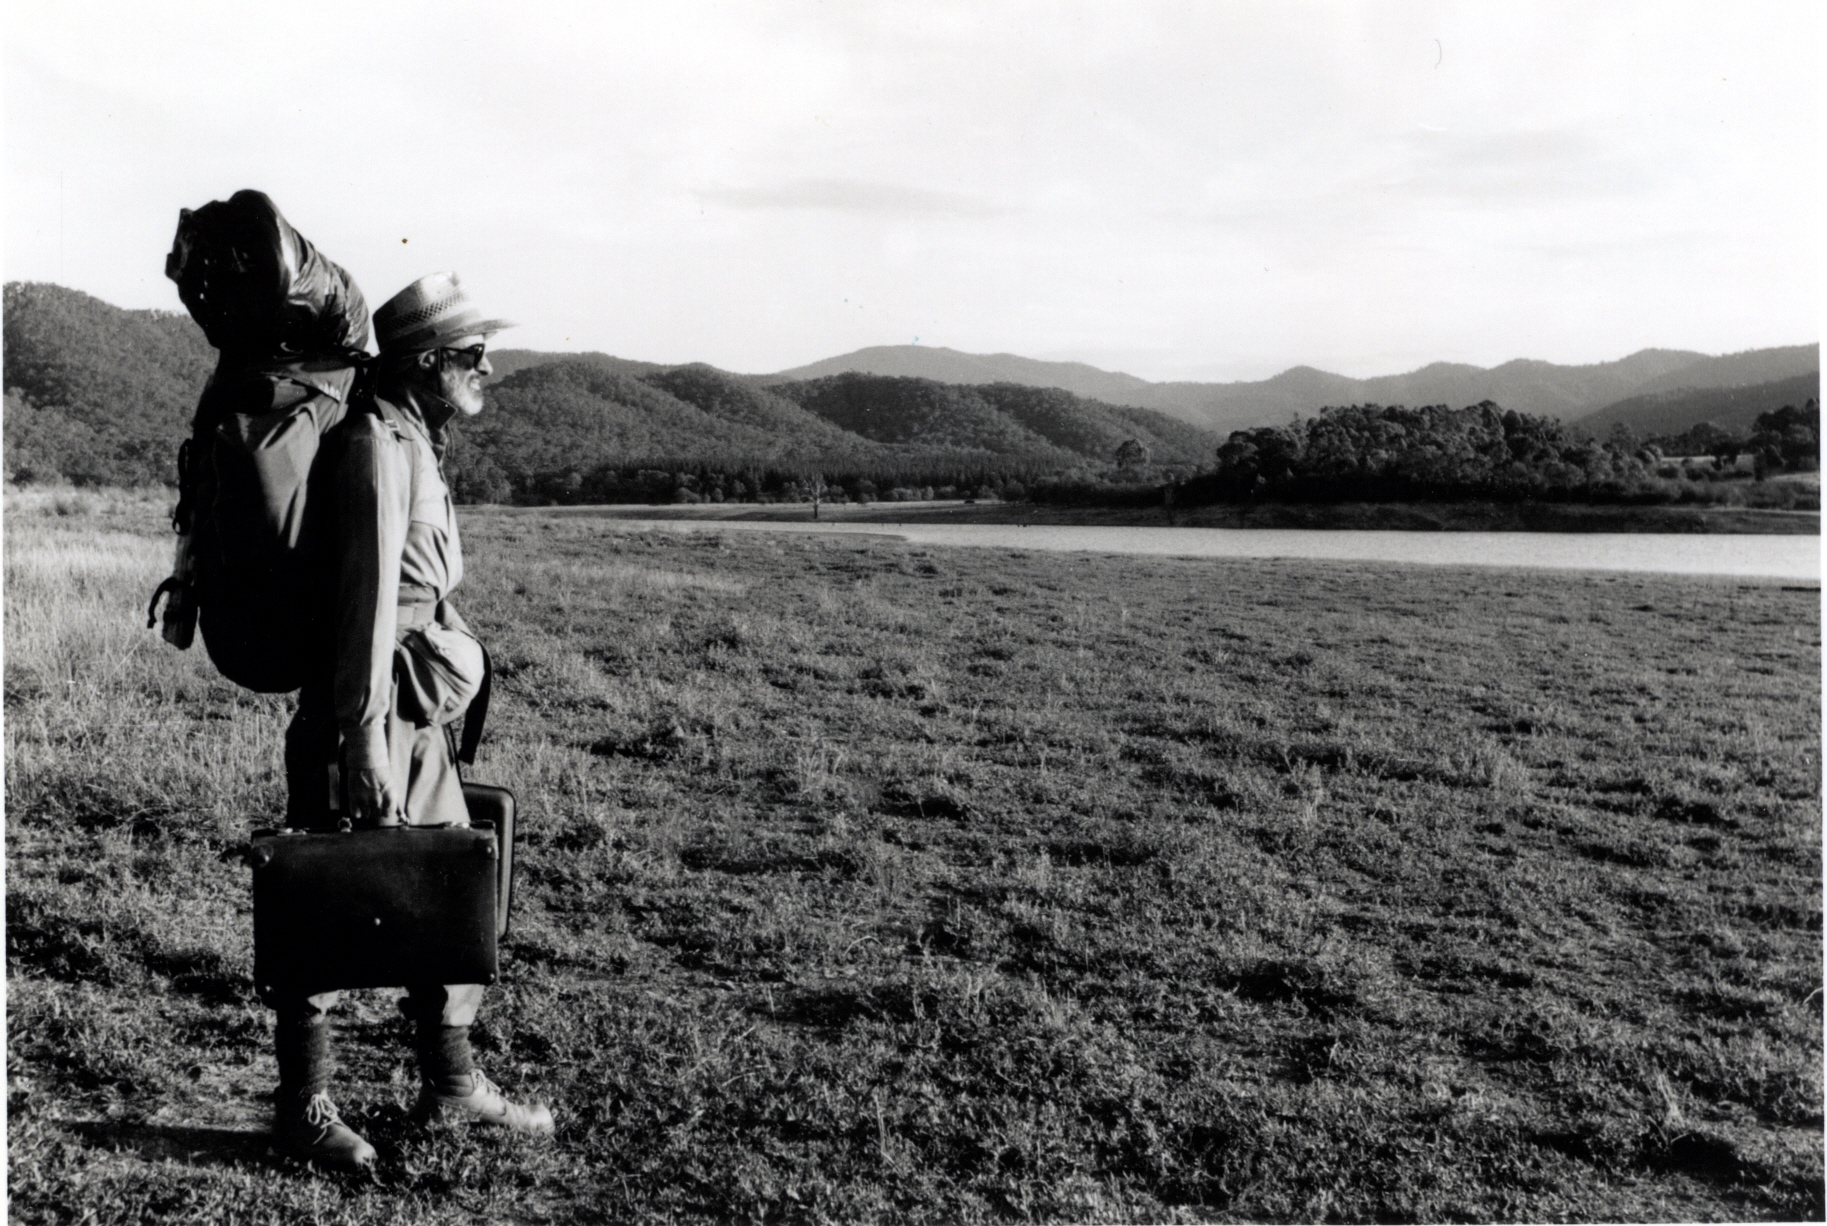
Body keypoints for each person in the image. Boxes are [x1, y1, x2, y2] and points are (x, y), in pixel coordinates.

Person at [274, 272, 553, 1171]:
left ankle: (452, 1086)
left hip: (413, 716)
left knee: (450, 890)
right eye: (474, 354)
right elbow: (362, 606)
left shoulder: (413, 438)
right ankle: (303, 1109)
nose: (487, 368)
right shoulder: (375, 445)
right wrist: (361, 740)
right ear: (429, 362)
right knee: (325, 899)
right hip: (366, 714)